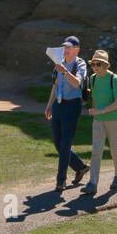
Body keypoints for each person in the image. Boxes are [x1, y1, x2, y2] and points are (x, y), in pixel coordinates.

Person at [44, 36, 89, 193]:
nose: (66, 50)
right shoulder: (59, 63)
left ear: (77, 49)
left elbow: (77, 82)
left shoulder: (80, 64)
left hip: (72, 106)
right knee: (57, 142)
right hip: (58, 105)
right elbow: (55, 85)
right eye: (64, 47)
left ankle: (60, 180)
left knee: (65, 143)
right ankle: (80, 167)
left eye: (69, 47)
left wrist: (66, 71)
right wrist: (50, 105)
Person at [82, 49, 117, 195]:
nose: (94, 67)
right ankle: (92, 183)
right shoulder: (93, 78)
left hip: (115, 119)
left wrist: (101, 111)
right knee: (96, 150)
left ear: (105, 65)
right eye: (93, 64)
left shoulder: (114, 79)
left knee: (115, 149)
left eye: (98, 64)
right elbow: (94, 97)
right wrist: (94, 110)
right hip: (98, 120)